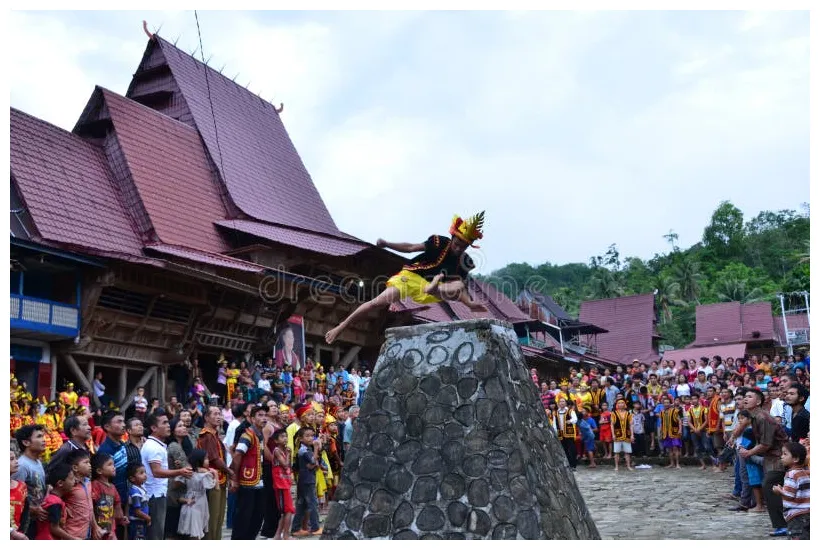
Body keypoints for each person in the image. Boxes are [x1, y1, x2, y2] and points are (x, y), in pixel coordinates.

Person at [325, 212, 488, 344]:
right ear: (453, 237)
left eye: (463, 246)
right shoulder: (438, 243)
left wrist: (470, 304)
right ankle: (342, 326)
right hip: (410, 276)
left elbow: (460, 289)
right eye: (457, 243)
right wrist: (387, 243)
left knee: (459, 285)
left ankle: (434, 287)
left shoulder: (463, 262)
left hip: (430, 287)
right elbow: (410, 247)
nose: (458, 248)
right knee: (378, 302)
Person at [740, 387, 790, 536]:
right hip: (770, 457)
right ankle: (782, 524)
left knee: (770, 485)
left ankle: (783, 525)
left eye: (750, 396)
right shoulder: (755, 417)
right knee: (771, 487)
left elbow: (766, 444)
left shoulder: (763, 417)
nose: (746, 399)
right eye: (745, 397)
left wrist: (749, 452)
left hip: (779, 457)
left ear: (759, 401)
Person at [141, 412, 193, 540]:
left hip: (159, 493)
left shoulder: (158, 445)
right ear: (153, 428)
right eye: (164, 423)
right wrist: (180, 471)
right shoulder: (153, 447)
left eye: (168, 422)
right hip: (154, 494)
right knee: (156, 534)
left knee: (159, 532)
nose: (168, 425)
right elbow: (157, 472)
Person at [230, 405, 267, 540]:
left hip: (259, 482)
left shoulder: (259, 435)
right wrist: (234, 477)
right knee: (244, 517)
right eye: (260, 415)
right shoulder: (247, 435)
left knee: (258, 516)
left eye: (265, 416)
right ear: (252, 419)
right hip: (247, 482)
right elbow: (238, 455)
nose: (263, 418)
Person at [197, 405, 232, 541]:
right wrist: (229, 471)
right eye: (215, 414)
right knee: (212, 518)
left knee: (219, 517)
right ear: (206, 417)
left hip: (219, 479)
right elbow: (215, 459)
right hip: (211, 481)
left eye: (220, 414)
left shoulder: (214, 435)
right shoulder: (207, 436)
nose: (219, 417)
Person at [13, 424, 47, 540]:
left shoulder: (37, 461)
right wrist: (32, 509)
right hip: (26, 522)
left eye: (43, 436)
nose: (43, 440)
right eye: (39, 436)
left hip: (37, 519)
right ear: (26, 443)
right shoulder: (22, 465)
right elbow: (15, 495)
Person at [772, 441, 810, 540]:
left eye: (785, 454)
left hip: (796, 515)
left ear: (796, 458)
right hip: (808, 512)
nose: (782, 456)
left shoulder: (791, 474)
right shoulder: (805, 472)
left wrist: (779, 490)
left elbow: (789, 494)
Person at [177, 449, 217, 540]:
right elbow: (214, 487)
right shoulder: (204, 475)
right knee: (195, 530)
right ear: (199, 460)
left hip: (194, 500)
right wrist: (215, 474)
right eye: (206, 458)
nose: (208, 460)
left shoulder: (191, 473)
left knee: (195, 529)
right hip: (196, 502)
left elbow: (177, 482)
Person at [63, 449, 101, 540]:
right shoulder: (69, 485)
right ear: (75, 468)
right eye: (86, 462)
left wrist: (95, 526)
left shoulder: (88, 482)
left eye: (89, 462)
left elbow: (90, 508)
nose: (90, 465)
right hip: (72, 533)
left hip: (87, 532)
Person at [292, 426, 323, 536]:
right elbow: (313, 462)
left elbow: (314, 464)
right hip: (307, 480)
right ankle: (315, 528)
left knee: (302, 504)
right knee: (313, 504)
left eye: (312, 436)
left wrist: (314, 463)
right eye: (307, 436)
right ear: (300, 439)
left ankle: (295, 529)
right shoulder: (304, 450)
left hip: (304, 479)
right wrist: (315, 449)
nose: (310, 438)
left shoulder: (306, 449)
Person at [96, 410, 129, 513]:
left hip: (125, 496)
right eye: (118, 422)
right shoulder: (105, 451)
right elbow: (104, 480)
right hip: (111, 500)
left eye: (123, 421)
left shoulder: (122, 444)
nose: (123, 425)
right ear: (107, 427)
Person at [165, 417, 192, 539]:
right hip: (174, 490)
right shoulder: (174, 446)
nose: (184, 427)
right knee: (175, 527)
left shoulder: (184, 445)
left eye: (184, 425)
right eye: (179, 426)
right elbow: (187, 467)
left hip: (181, 487)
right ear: (173, 431)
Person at [35, 461, 77, 540]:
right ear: (60, 483)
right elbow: (54, 528)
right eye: (71, 478)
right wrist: (74, 539)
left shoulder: (53, 499)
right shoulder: (55, 503)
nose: (74, 481)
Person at [90, 452, 125, 540]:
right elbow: (90, 505)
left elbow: (117, 506)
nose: (114, 467)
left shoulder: (112, 487)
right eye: (109, 465)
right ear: (99, 471)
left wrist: (121, 518)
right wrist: (95, 527)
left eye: (113, 464)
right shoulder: (95, 485)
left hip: (111, 529)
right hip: (98, 529)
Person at [270, 428, 295, 539]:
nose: (285, 438)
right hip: (280, 484)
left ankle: (277, 536)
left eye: (286, 436)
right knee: (288, 510)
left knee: (286, 511)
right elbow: (285, 464)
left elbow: (288, 466)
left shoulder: (285, 450)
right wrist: (289, 454)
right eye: (282, 437)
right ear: (276, 440)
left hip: (285, 482)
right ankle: (285, 535)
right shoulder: (277, 450)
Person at [127, 464, 151, 540]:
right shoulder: (135, 492)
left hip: (141, 522)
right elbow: (137, 512)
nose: (145, 475)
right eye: (141, 473)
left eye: (145, 472)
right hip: (137, 523)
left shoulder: (141, 488)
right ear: (132, 478)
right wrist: (148, 518)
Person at [10, 450, 30, 540]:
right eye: (11, 459)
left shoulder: (22, 486)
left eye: (15, 458)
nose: (16, 461)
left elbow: (25, 512)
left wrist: (21, 532)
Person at [659, 396, 682, 469]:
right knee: (669, 449)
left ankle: (677, 464)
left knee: (675, 448)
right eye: (665, 403)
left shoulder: (675, 411)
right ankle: (672, 463)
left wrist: (680, 430)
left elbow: (679, 421)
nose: (666, 404)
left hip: (674, 432)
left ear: (670, 403)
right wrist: (661, 432)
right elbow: (661, 423)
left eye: (667, 402)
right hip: (666, 433)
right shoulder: (662, 412)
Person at [611, 398, 634, 471]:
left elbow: (631, 425)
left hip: (627, 434)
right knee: (616, 452)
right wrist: (613, 434)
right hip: (617, 434)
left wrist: (632, 435)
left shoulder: (629, 414)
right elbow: (612, 424)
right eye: (619, 403)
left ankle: (628, 466)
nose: (621, 404)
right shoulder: (614, 413)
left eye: (622, 403)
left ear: (625, 404)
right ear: (617, 405)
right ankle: (616, 466)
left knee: (627, 452)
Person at [555, 398, 578, 471]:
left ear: (565, 403)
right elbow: (554, 424)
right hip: (561, 434)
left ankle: (573, 465)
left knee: (571, 449)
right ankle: (567, 465)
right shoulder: (556, 412)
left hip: (569, 433)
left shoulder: (570, 411)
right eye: (560, 402)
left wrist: (570, 421)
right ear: (558, 403)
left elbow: (575, 419)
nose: (561, 403)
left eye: (563, 401)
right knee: (564, 450)